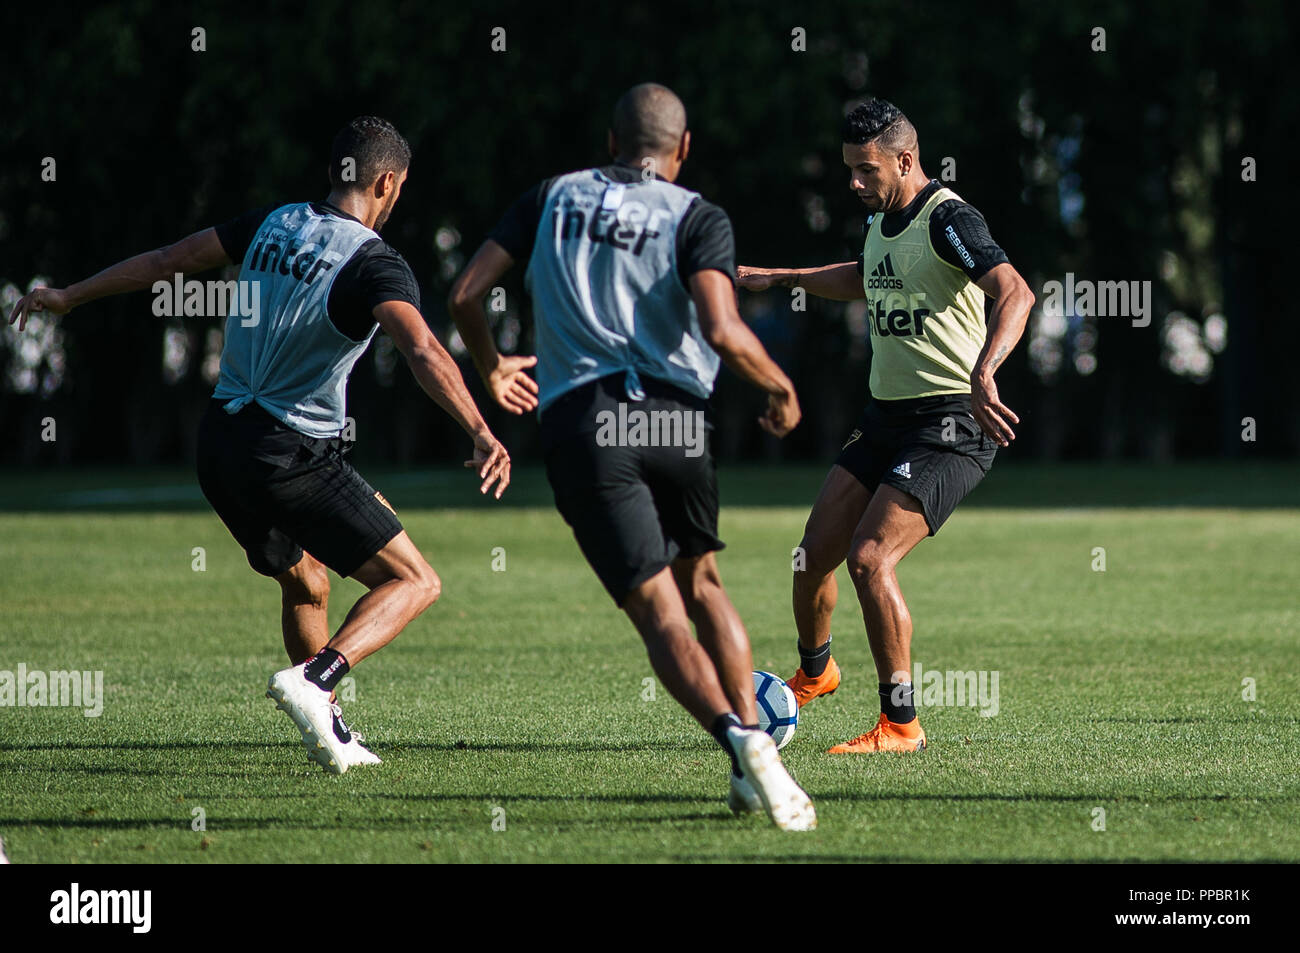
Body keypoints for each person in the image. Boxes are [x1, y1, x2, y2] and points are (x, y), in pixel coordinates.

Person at [7, 117, 512, 774]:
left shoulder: (272, 224)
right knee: (415, 580)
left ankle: (327, 727)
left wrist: (70, 296)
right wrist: (480, 429)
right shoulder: (373, 262)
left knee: (305, 580)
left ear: (335, 171)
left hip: (219, 445)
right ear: (387, 183)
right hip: (290, 454)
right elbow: (421, 348)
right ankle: (317, 679)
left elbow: (166, 262)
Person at [447, 83, 815, 830]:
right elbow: (722, 328)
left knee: (659, 614)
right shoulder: (698, 215)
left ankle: (743, 743)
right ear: (683, 149)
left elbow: (464, 295)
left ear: (612, 143)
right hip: (676, 423)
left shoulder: (551, 197)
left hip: (586, 424)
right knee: (704, 584)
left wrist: (491, 367)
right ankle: (754, 761)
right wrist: (778, 386)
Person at [738, 98, 1034, 753]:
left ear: (905, 160)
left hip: (950, 423)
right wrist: (782, 276)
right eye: (848, 168)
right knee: (811, 556)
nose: (853, 182)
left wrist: (986, 370)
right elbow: (866, 278)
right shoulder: (880, 218)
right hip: (885, 420)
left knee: (869, 559)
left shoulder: (948, 218)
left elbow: (1016, 291)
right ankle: (817, 673)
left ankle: (901, 724)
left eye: (865, 169)